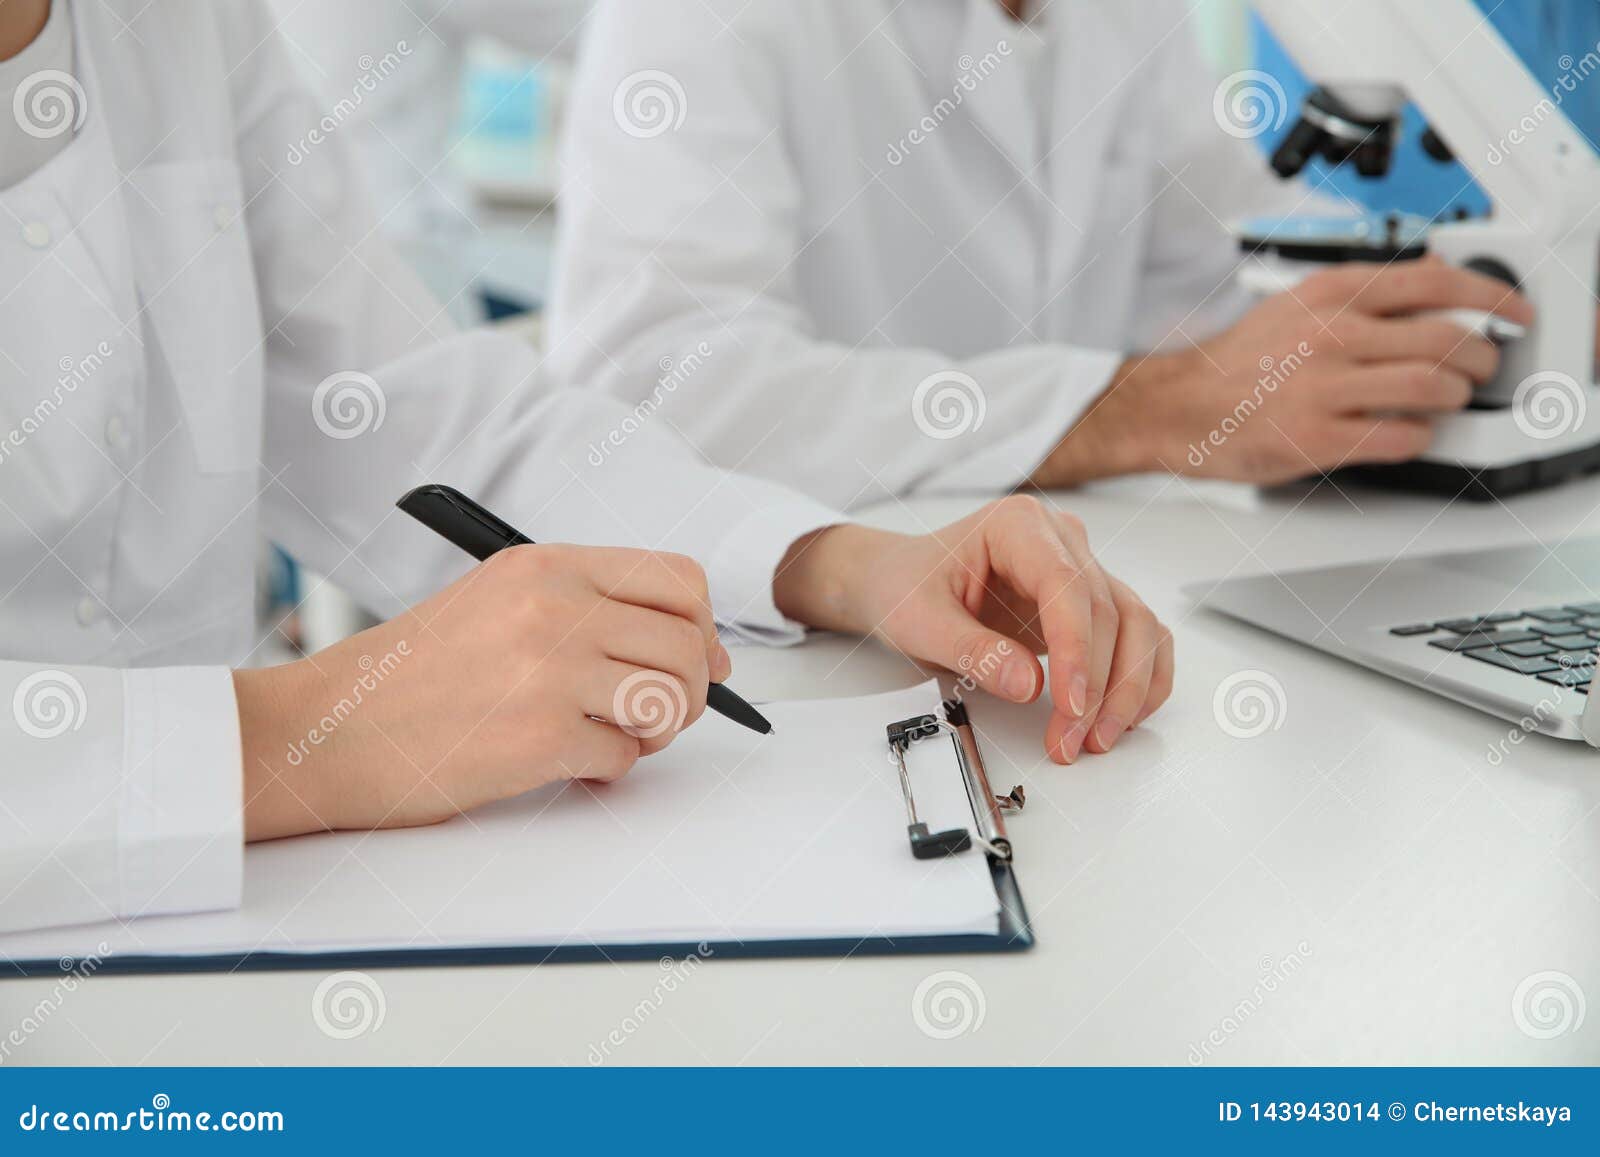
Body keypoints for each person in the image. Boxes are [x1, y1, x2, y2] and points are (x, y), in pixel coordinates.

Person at [0, 0, 1171, 936]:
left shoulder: (181, 22)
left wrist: (842, 561)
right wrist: (312, 735)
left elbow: (427, 422)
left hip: (233, 923)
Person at [546, 0, 1533, 511]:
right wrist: (1142, 411)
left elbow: (1224, 257)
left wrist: (1500, 309)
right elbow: (654, 386)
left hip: (1084, 607)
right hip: (792, 651)